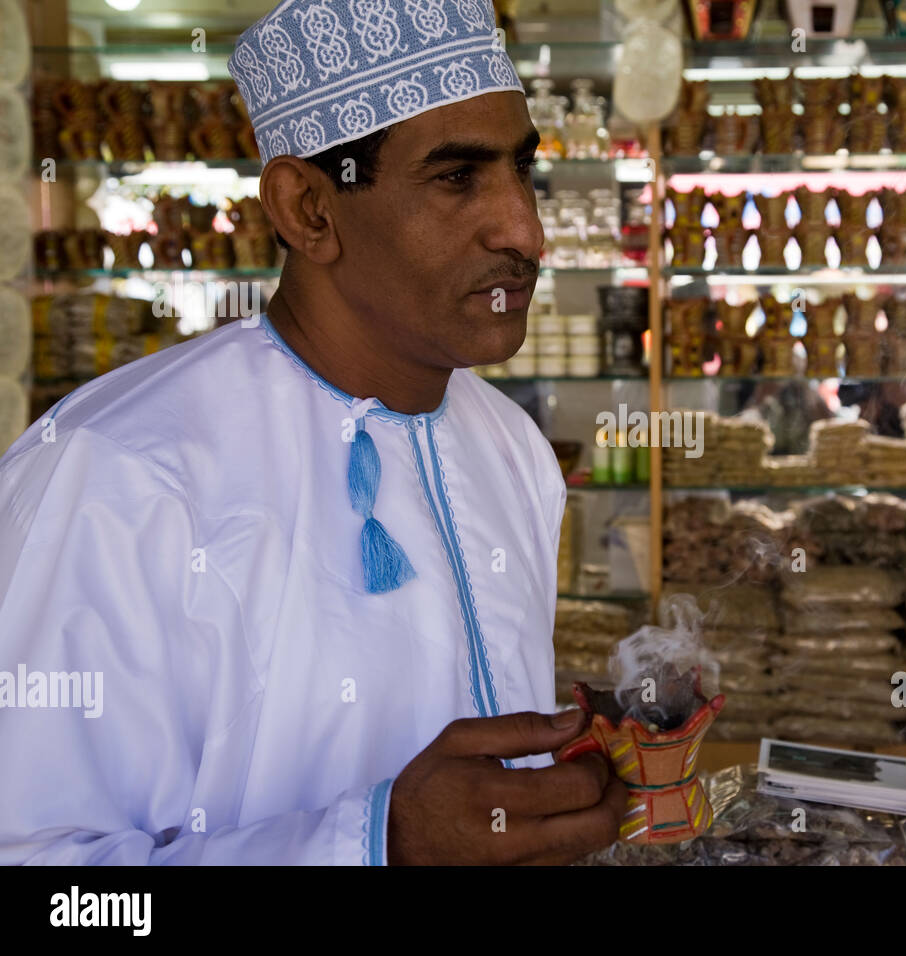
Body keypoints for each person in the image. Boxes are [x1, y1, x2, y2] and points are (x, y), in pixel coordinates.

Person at [0, 0, 625, 865]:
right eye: (456, 179)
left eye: (523, 171)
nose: (524, 230)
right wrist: (373, 847)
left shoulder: (510, 448)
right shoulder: (117, 479)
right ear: (307, 209)